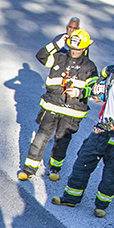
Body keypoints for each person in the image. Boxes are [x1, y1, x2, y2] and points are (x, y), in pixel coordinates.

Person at [52, 51, 114, 218]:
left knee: (111, 174)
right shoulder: (111, 77)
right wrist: (80, 93)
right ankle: (71, 197)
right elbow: (97, 90)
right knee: (82, 162)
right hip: (102, 130)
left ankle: (101, 206)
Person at [19, 29, 98, 181]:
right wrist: (57, 44)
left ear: (85, 48)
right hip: (52, 106)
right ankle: (29, 169)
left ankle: (54, 168)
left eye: (78, 49)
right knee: (40, 138)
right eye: (72, 48)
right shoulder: (58, 58)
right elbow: (41, 56)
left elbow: (94, 89)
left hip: (72, 111)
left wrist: (79, 93)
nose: (74, 52)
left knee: (62, 142)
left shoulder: (90, 67)